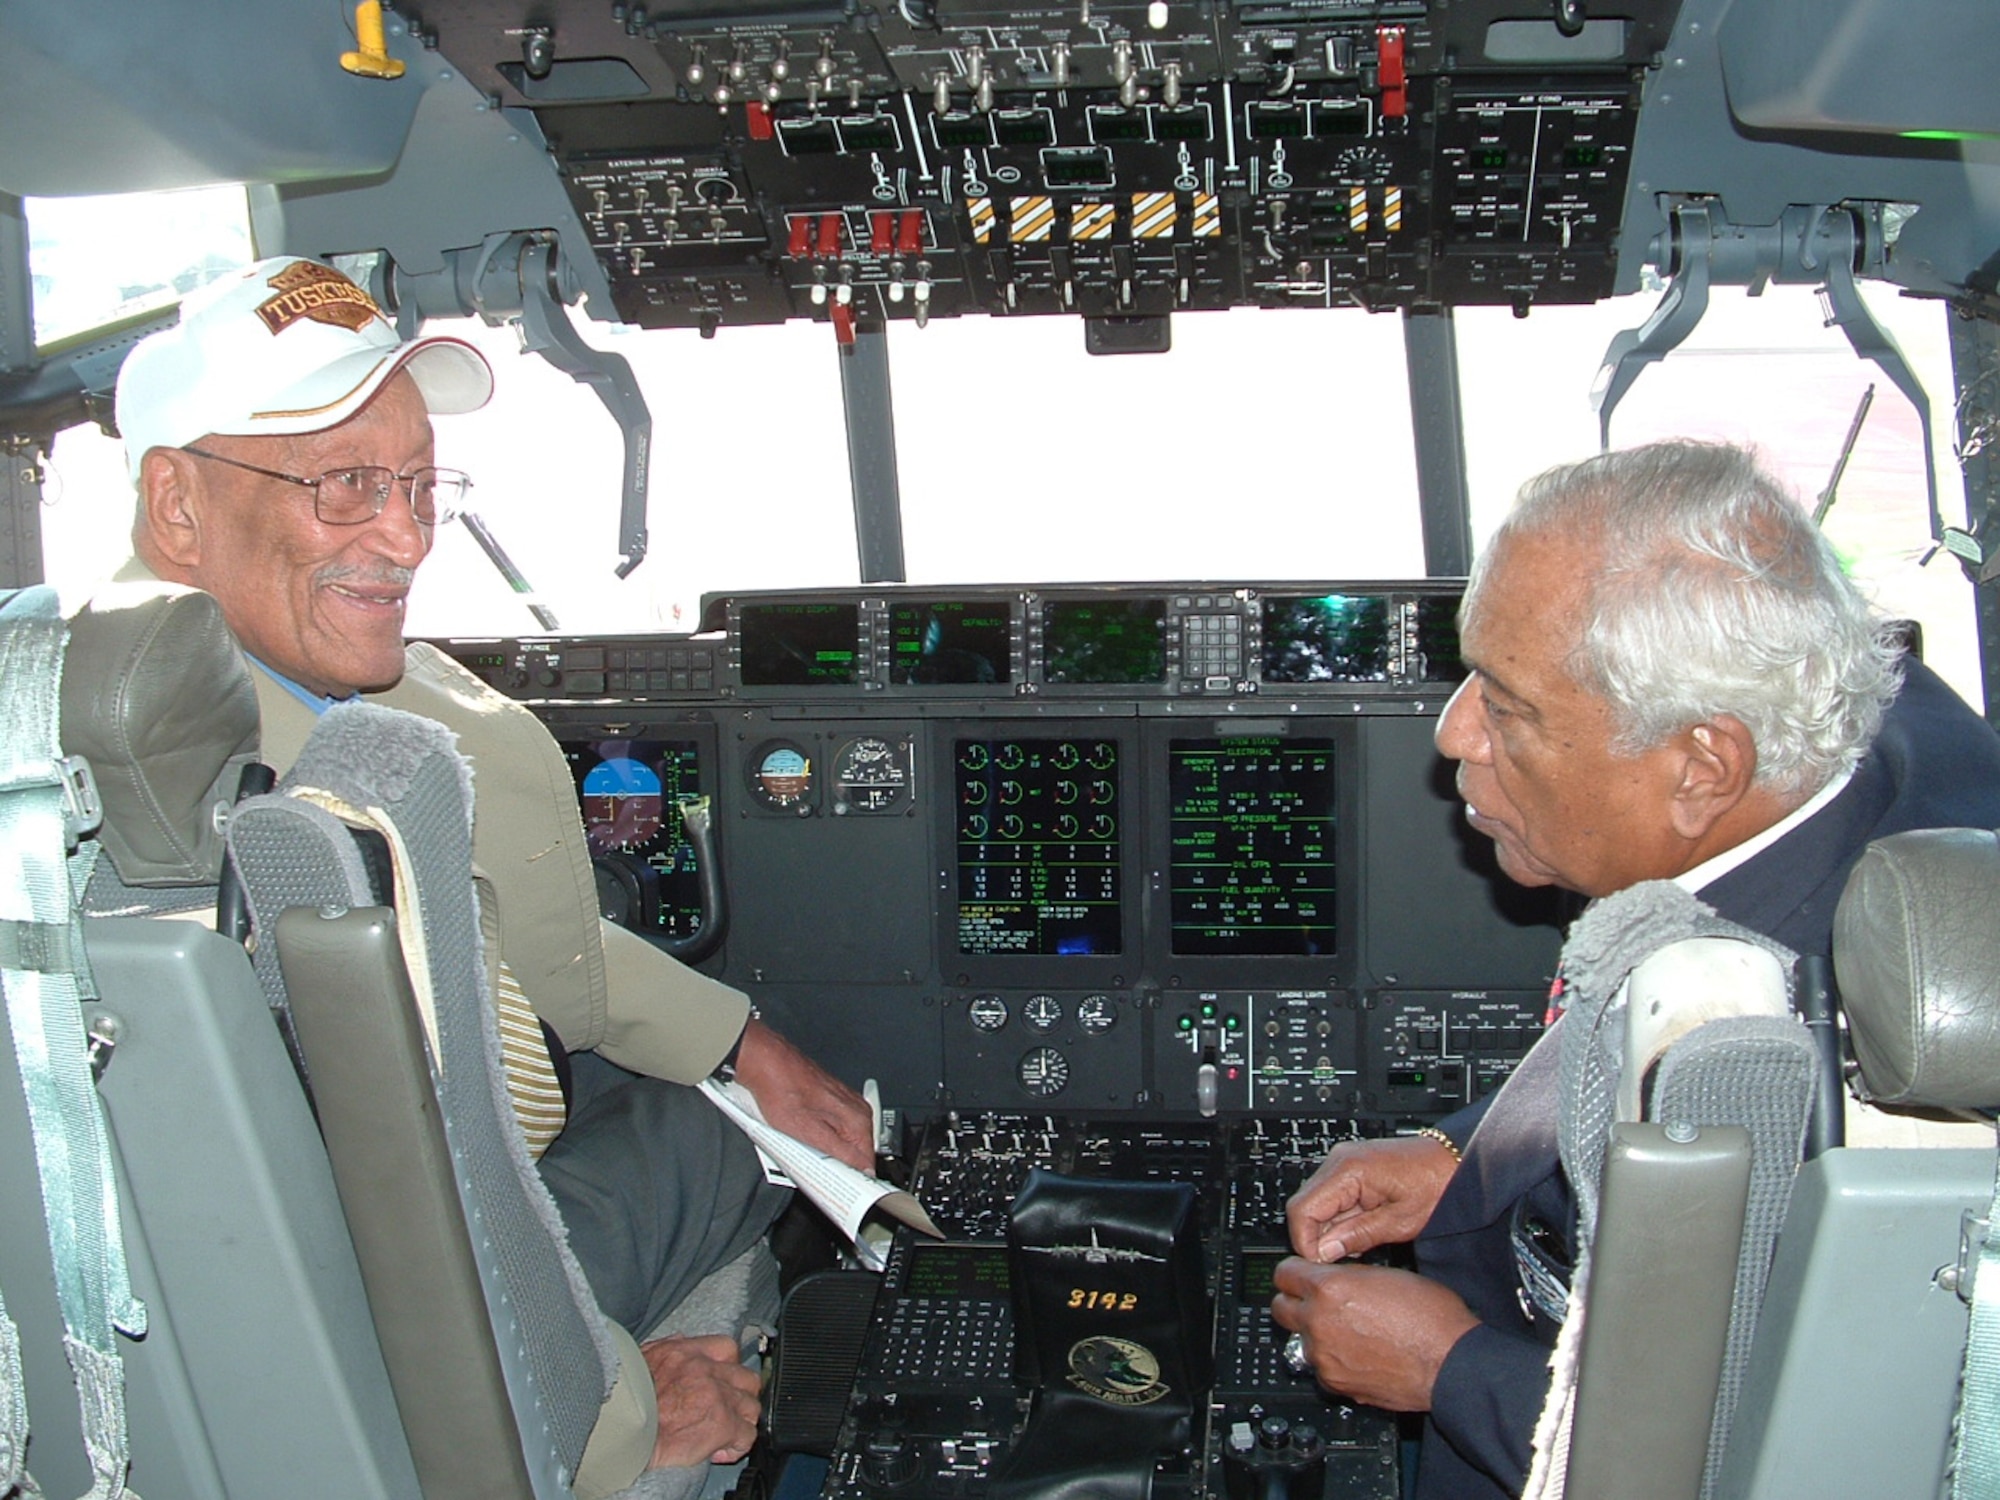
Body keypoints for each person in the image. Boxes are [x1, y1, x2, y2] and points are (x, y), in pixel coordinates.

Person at [109, 256, 875, 1493]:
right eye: (346, 483)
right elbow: (415, 1218)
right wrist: (618, 1412)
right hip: (352, 1323)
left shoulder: (125, 723)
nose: (407, 537)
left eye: (419, 486)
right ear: (177, 504)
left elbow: (518, 948)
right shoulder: (271, 819)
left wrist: (736, 1036)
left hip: (247, 1259)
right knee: (717, 1140)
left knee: (697, 1086)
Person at [1269, 439, 2000, 1498]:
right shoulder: (1883, 718)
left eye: (1508, 708)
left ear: (1699, 771)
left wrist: (1450, 1369)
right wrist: (1462, 1152)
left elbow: (1802, 1455)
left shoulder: (1810, 1076)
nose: (1451, 733)